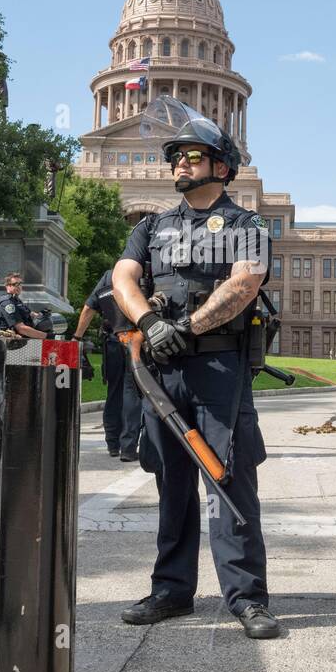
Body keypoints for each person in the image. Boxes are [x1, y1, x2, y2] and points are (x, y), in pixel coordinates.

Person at [111, 114, 280, 639]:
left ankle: (247, 596)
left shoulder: (244, 226)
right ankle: (171, 589)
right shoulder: (152, 226)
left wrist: (184, 327)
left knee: (227, 474)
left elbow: (245, 283)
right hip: (162, 369)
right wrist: (147, 322)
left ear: (222, 166)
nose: (180, 164)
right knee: (172, 479)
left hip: (218, 365)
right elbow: (123, 276)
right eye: (176, 158)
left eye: (192, 156)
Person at [73, 268, 143, 462]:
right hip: (133, 340)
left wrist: (77, 337)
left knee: (113, 392)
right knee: (132, 393)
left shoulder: (107, 276)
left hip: (112, 343)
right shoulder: (141, 271)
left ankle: (113, 444)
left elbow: (88, 309)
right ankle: (128, 448)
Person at [0, 273, 44, 338]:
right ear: (7, 286)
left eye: (20, 283)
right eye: (15, 284)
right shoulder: (7, 302)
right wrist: (47, 336)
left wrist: (41, 316)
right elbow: (21, 328)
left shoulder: (16, 300)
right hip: (7, 343)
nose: (19, 286)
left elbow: (30, 313)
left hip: (19, 342)